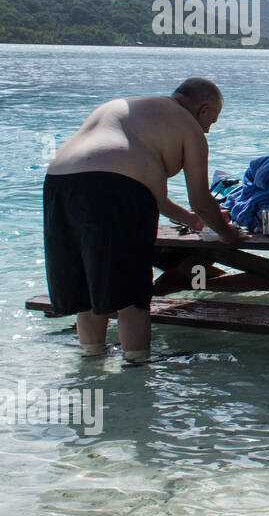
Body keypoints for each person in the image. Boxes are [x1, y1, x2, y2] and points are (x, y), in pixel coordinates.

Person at [43, 77, 242, 364]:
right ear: (203, 109)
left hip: (59, 183)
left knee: (86, 289)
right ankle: (138, 365)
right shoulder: (189, 127)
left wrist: (194, 222)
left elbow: (156, 198)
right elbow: (200, 200)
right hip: (114, 188)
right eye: (212, 120)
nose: (209, 129)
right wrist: (228, 234)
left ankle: (91, 359)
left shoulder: (129, 110)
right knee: (132, 294)